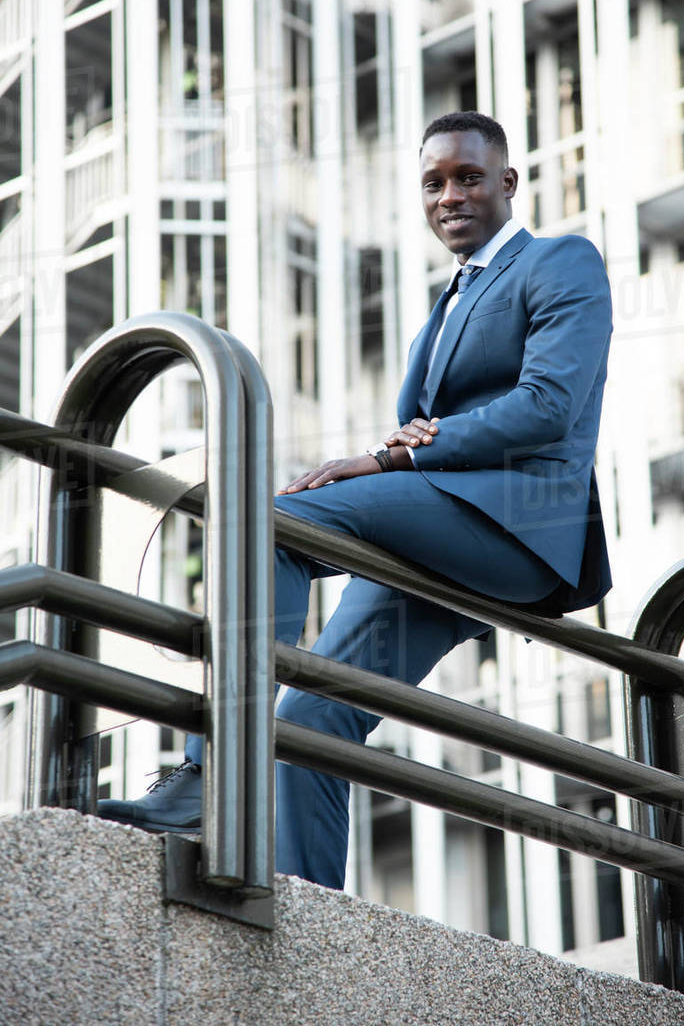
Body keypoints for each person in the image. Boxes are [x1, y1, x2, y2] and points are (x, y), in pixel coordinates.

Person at [98, 111, 613, 889]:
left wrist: (382, 456)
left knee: (265, 527)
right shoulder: (443, 310)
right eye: (433, 184)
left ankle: (202, 777)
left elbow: (546, 406)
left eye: (468, 177)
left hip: (516, 523)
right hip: (442, 525)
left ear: (508, 182)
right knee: (310, 722)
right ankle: (306, 921)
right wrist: (381, 466)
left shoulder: (559, 263)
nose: (449, 196)